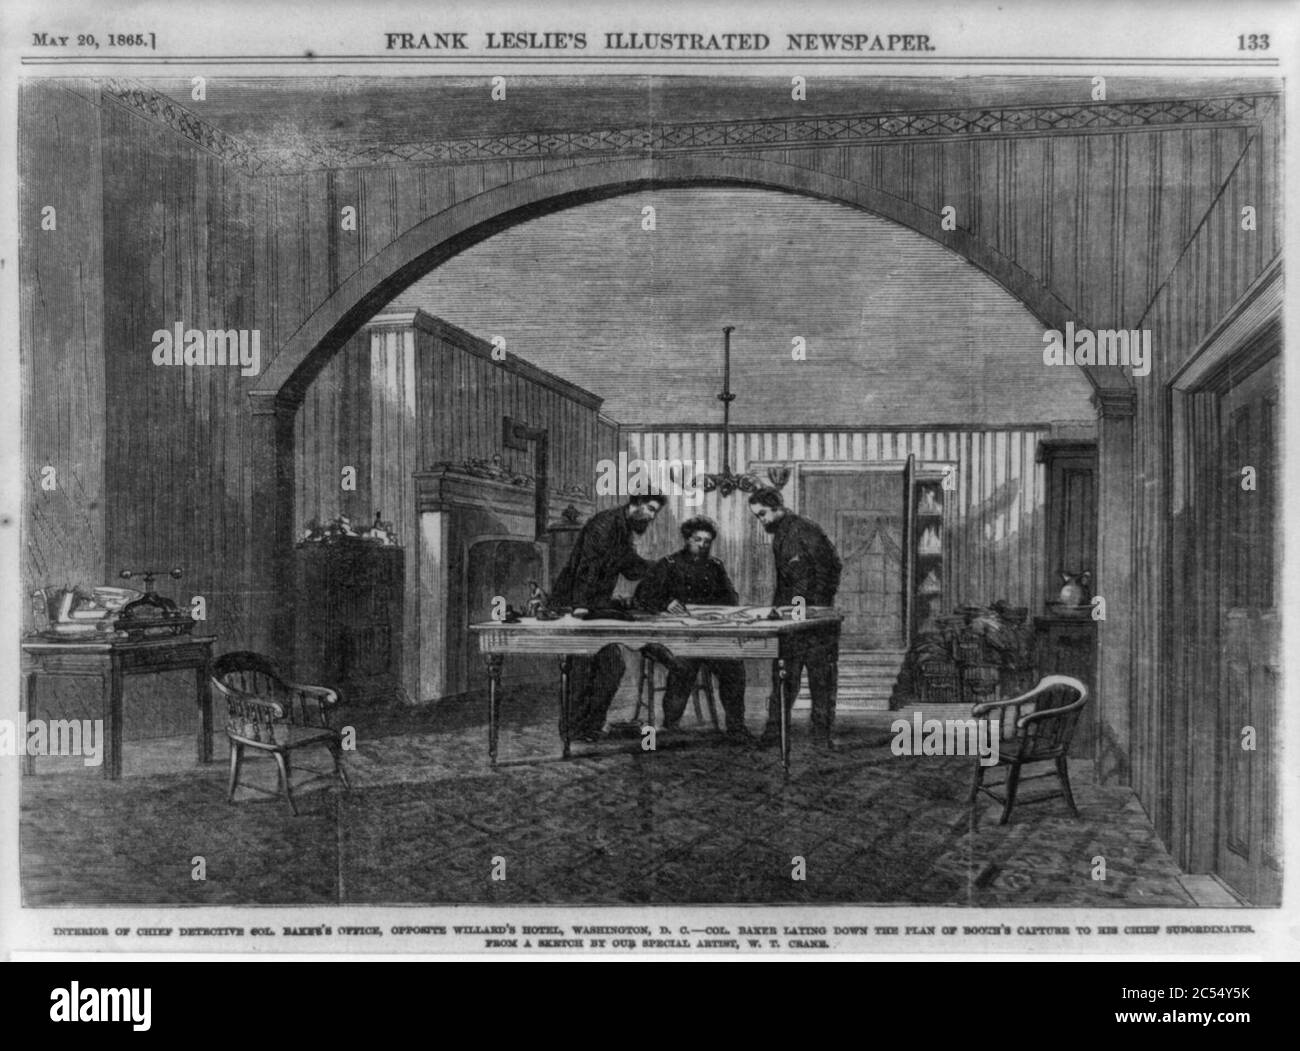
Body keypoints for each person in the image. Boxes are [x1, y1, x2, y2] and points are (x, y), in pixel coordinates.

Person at [550, 493, 666, 740]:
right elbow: (587, 566)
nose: (652, 516)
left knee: (610, 667)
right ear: (635, 504)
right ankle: (574, 729)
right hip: (577, 606)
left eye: (655, 512)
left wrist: (658, 567)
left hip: (593, 606)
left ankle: (589, 726)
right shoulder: (606, 525)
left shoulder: (621, 528)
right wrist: (580, 607)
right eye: (650, 509)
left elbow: (630, 567)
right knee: (584, 669)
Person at [633, 516, 752, 743]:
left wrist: (719, 609)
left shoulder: (715, 566)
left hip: (706, 637)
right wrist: (666, 603)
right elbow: (642, 596)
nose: (703, 545)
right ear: (687, 539)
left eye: (707, 541)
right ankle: (671, 725)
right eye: (698, 540)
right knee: (683, 665)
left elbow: (731, 598)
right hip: (673, 638)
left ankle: (736, 727)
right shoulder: (668, 564)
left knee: (734, 667)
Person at [747, 487, 842, 749]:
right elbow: (790, 582)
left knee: (821, 682)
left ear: (778, 507)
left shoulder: (804, 530)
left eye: (763, 514)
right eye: (758, 516)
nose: (762, 520)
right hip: (791, 622)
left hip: (815, 624)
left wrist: (804, 607)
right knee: (783, 679)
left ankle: (822, 739)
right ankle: (774, 733)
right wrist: (781, 610)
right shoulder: (781, 534)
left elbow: (829, 569)